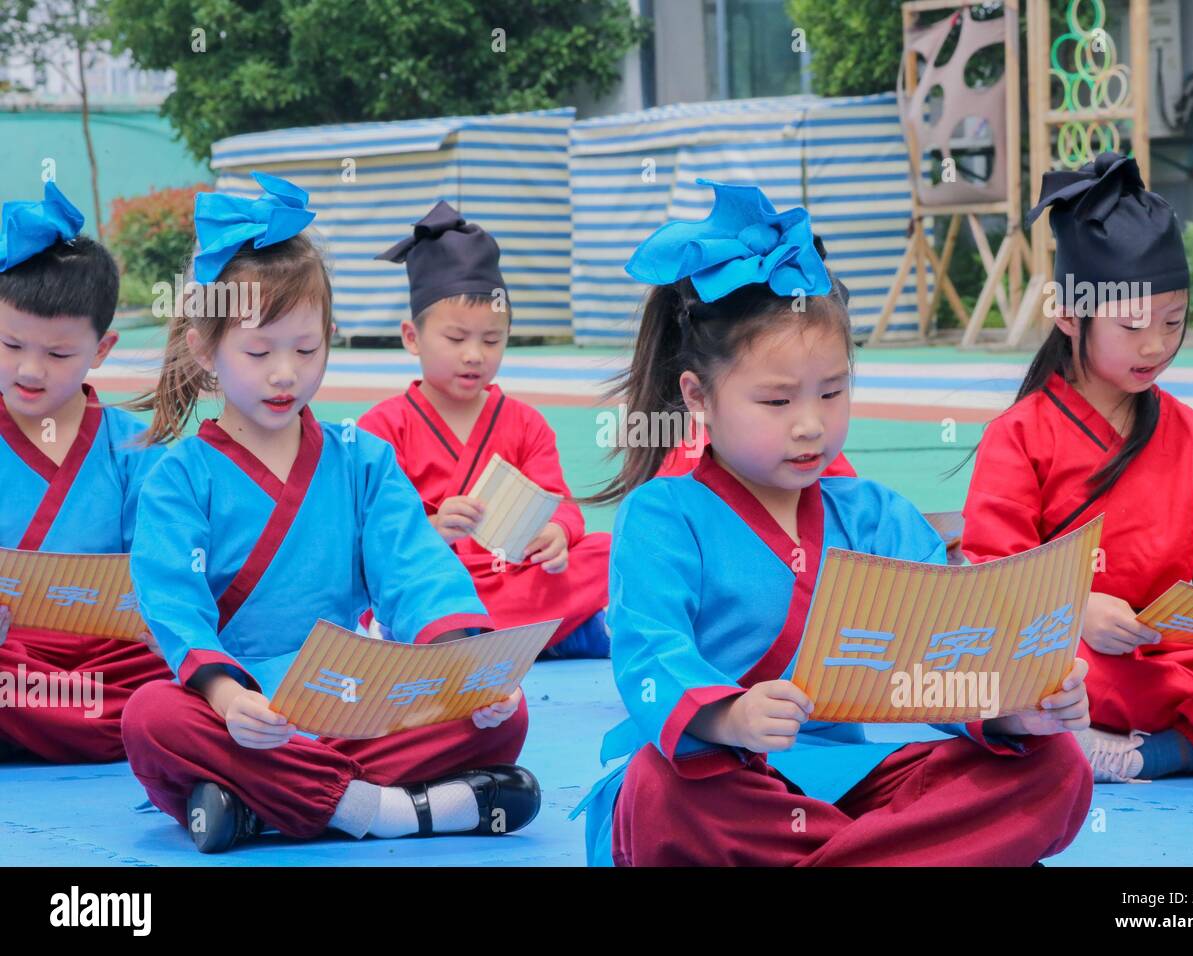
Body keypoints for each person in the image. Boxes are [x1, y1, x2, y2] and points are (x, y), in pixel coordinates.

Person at [571, 179, 1094, 866]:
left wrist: (1015, 709)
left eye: (833, 391)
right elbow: (647, 657)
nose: (811, 424)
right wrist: (728, 716)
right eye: (777, 399)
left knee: (1054, 769)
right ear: (698, 397)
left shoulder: (876, 515)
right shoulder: (663, 515)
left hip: (851, 786)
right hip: (728, 779)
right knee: (656, 793)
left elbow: (953, 655)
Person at [120, 174, 540, 853]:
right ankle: (405, 810)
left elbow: (418, 571)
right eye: (258, 352)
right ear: (205, 350)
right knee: (151, 718)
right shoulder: (179, 477)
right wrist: (227, 698)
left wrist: (470, 671)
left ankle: (264, 809)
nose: (285, 374)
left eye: (306, 349)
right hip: (243, 709)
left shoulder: (361, 460)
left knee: (504, 716)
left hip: (350, 699)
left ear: (330, 337)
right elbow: (173, 602)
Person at [962, 152, 1193, 782]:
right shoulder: (1017, 437)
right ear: (1068, 315)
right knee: (1057, 671)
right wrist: (1076, 609)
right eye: (1133, 325)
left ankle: (1180, 745)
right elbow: (994, 573)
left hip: (1184, 651)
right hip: (1088, 652)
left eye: (1173, 323)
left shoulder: (1187, 430)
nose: (1156, 346)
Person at [359, 203, 611, 660]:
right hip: (438, 575)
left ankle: (476, 638)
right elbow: (371, 531)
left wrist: (557, 533)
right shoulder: (381, 428)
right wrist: (432, 528)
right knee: (407, 586)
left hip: (513, 576)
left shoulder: (526, 423)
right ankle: (553, 634)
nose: (475, 355)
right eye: (456, 340)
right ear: (411, 337)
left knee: (609, 552)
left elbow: (562, 504)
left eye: (491, 340)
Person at [0, 181, 168, 763]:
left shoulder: (138, 448)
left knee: (181, 682)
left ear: (102, 349)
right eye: (10, 344)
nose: (29, 370)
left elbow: (164, 566)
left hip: (109, 666)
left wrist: (161, 611)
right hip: (8, 660)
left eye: (58, 353)